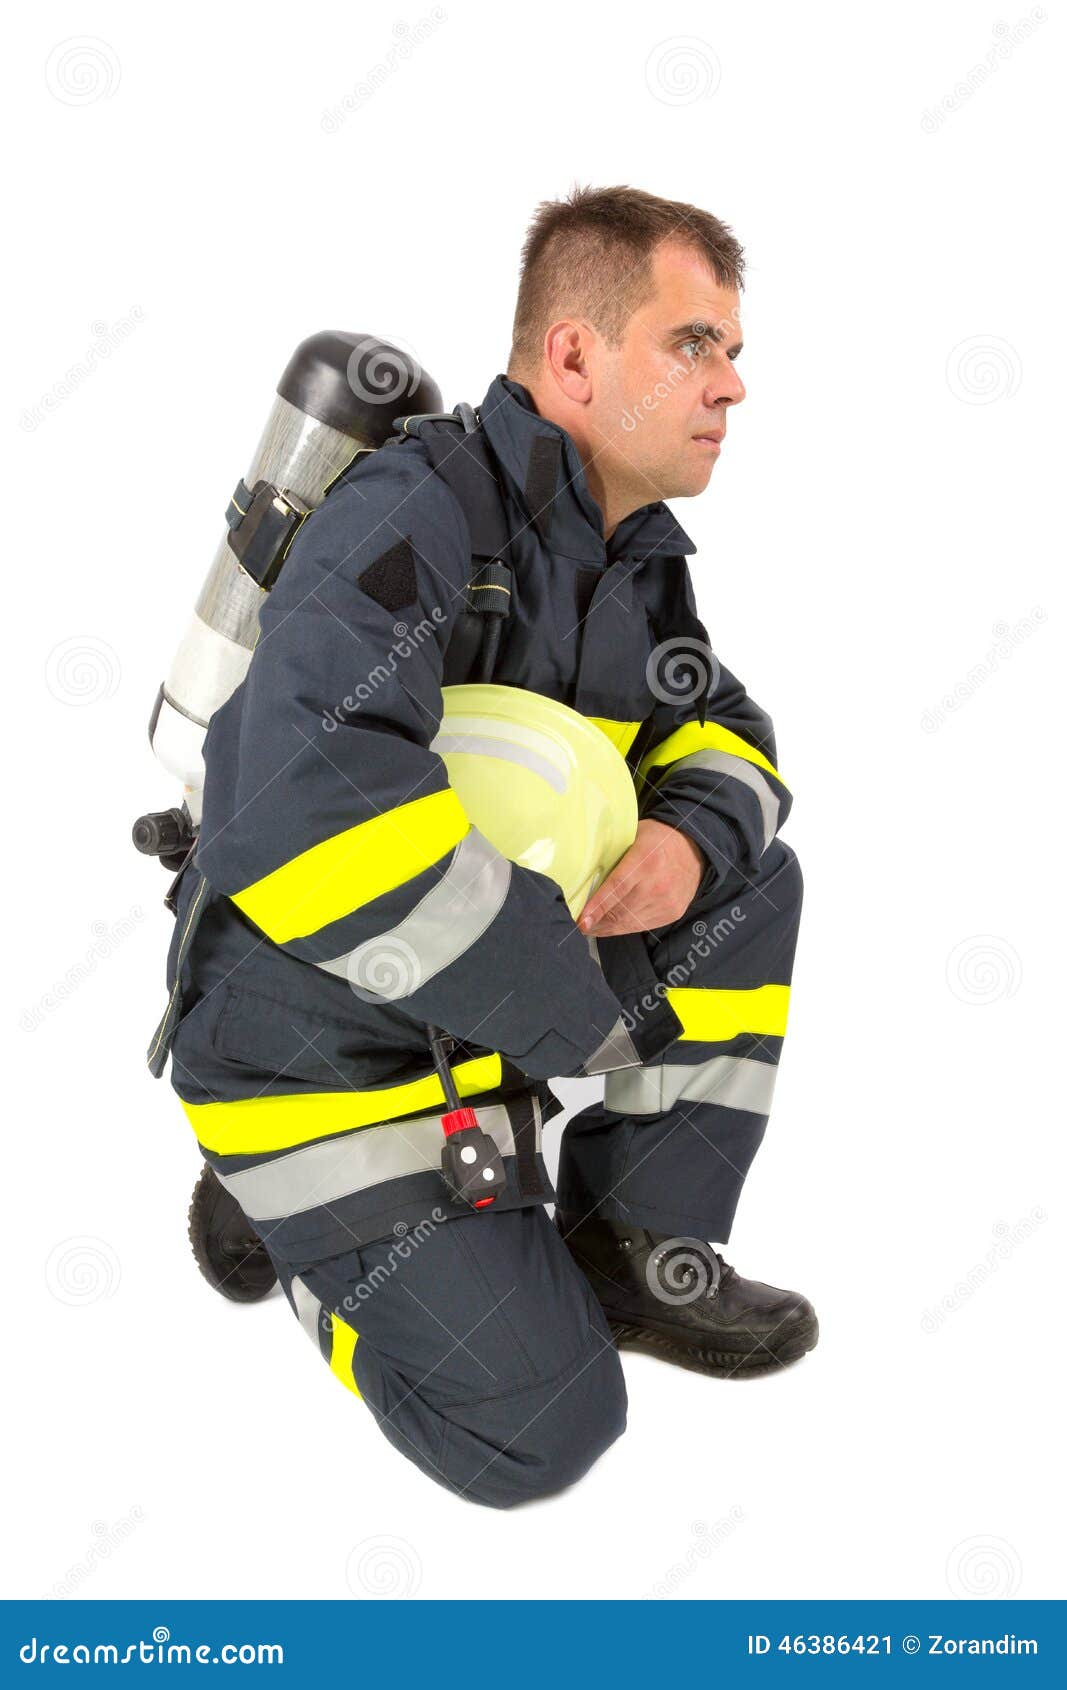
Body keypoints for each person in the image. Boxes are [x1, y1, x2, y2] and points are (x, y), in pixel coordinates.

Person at [166, 183, 816, 1508]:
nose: (732, 386)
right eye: (695, 343)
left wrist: (690, 843)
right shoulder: (420, 510)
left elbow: (729, 735)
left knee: (748, 879)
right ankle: (274, 1212)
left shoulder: (626, 555)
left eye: (736, 352)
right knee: (547, 1428)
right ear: (572, 355)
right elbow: (304, 793)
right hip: (303, 1032)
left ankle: (633, 1236)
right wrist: (561, 1004)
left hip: (455, 994)